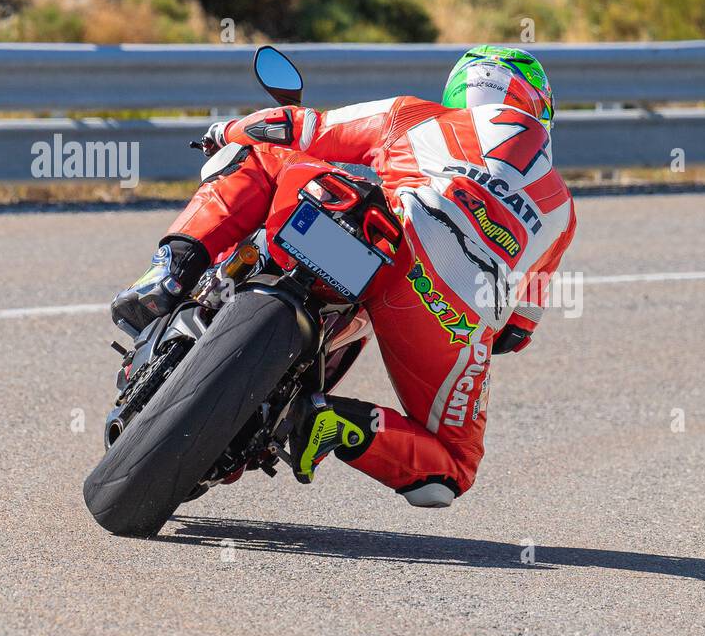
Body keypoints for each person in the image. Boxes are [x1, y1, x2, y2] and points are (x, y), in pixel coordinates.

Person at [110, 46, 576, 508]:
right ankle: (330, 422)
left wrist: (224, 130)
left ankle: (170, 270)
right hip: (447, 313)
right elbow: (516, 331)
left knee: (262, 156)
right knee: (452, 466)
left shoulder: (415, 115)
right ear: (539, 105)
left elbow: (298, 127)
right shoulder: (563, 210)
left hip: (388, 240)